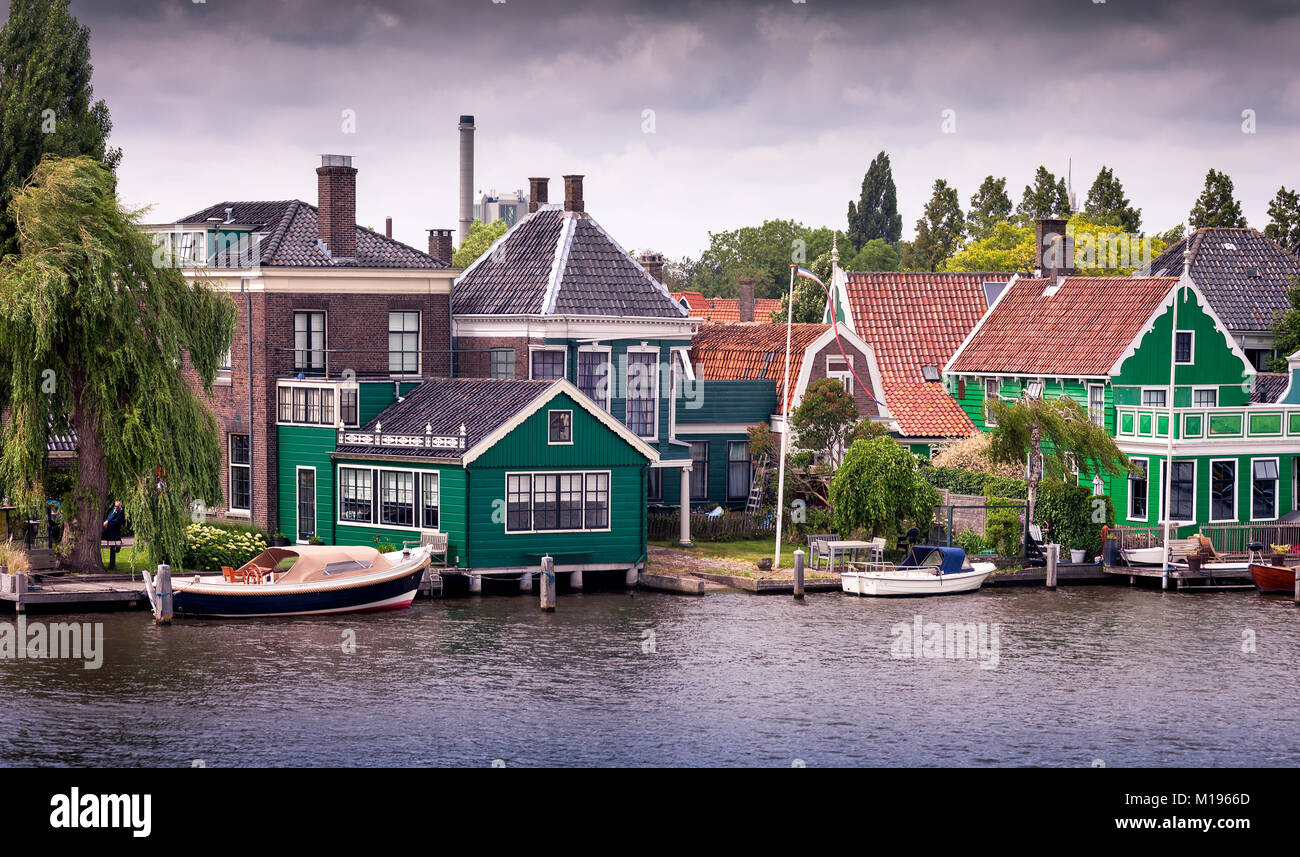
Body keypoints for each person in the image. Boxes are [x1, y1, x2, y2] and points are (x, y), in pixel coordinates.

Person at [103, 501, 126, 569]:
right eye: (115, 506)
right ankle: (111, 565)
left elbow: (117, 521)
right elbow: (108, 518)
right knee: (111, 546)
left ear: (120, 507)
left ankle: (112, 566)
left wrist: (108, 523)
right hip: (109, 531)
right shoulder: (112, 510)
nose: (115, 507)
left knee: (113, 547)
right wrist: (105, 522)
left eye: (117, 506)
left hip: (115, 532)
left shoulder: (121, 512)